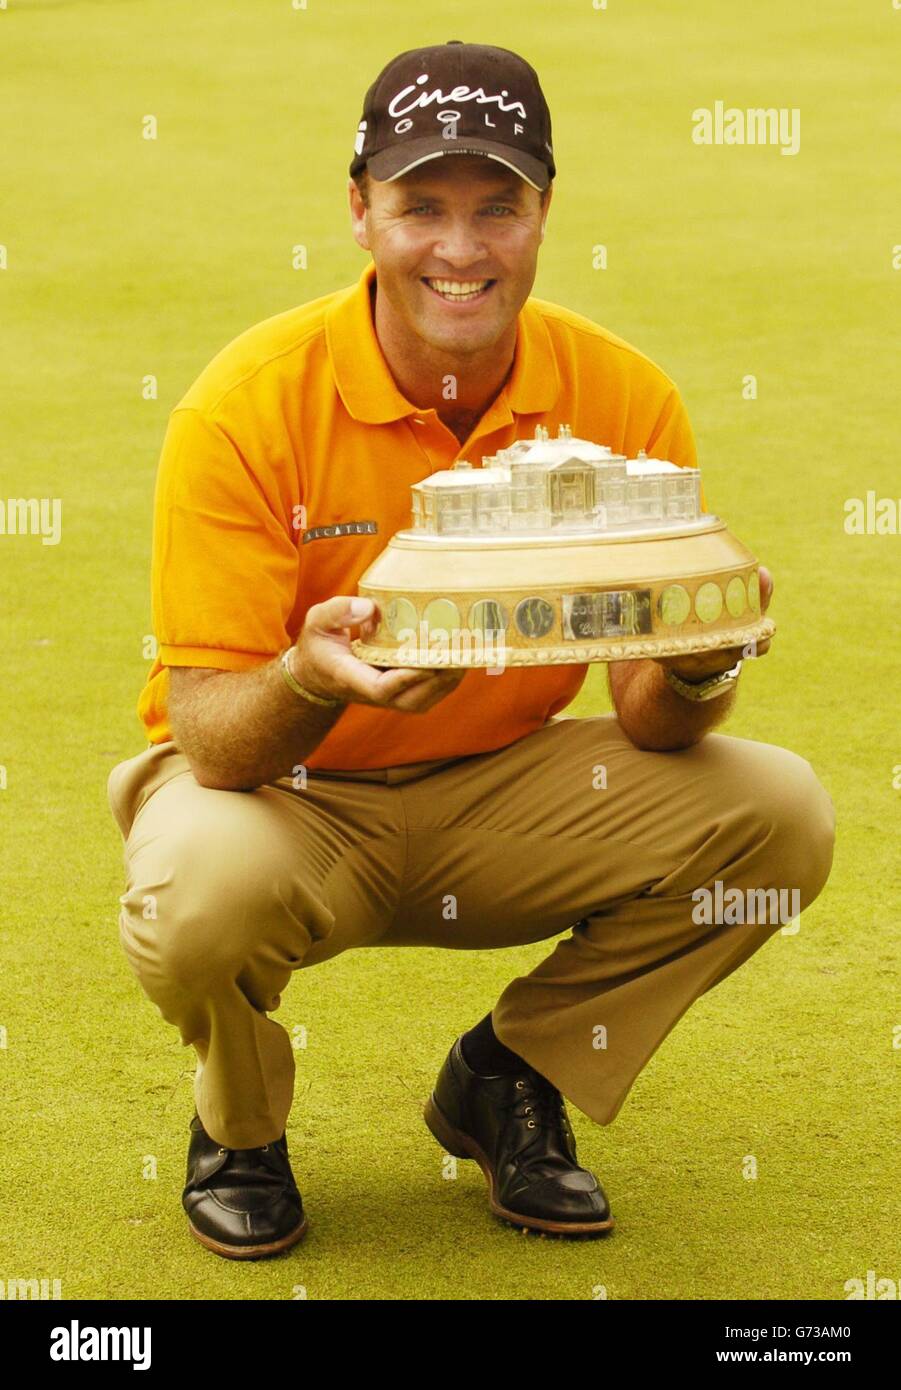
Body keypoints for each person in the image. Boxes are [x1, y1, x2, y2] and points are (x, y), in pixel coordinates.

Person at [107, 40, 835, 1260]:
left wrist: (703, 658)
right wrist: (304, 679)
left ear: (543, 211)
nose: (460, 248)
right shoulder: (243, 406)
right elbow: (213, 739)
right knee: (194, 895)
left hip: (500, 786)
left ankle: (510, 1074)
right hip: (286, 795)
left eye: (496, 207)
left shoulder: (621, 394)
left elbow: (651, 720)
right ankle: (240, 1129)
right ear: (359, 213)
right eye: (421, 208)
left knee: (781, 817)